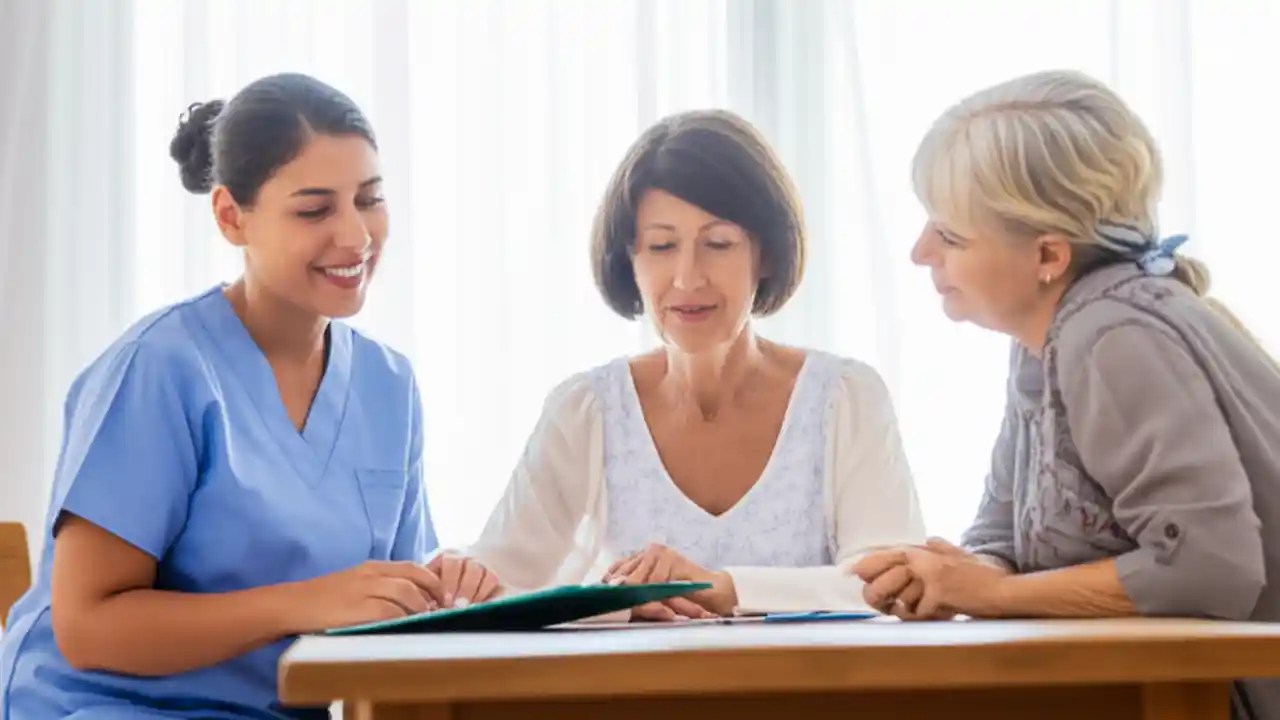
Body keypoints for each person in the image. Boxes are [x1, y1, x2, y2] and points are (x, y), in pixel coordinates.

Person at [0, 73, 496, 719]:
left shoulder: (388, 387)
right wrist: (304, 602)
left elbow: (377, 615)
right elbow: (88, 628)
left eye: (369, 199)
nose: (356, 236)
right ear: (232, 216)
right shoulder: (161, 369)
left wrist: (442, 588)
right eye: (315, 209)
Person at [853, 69, 1280, 719]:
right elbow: (1000, 531)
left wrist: (992, 597)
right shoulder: (1040, 340)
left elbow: (1210, 568)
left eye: (950, 235)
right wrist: (952, 573)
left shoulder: (1113, 337)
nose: (918, 253)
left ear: (1048, 254)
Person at [465, 109, 925, 621]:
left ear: (765, 254)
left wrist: (722, 588)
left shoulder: (846, 397)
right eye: (662, 246)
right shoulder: (585, 410)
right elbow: (495, 588)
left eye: (718, 244)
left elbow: (894, 585)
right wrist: (620, 607)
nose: (687, 278)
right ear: (630, 261)